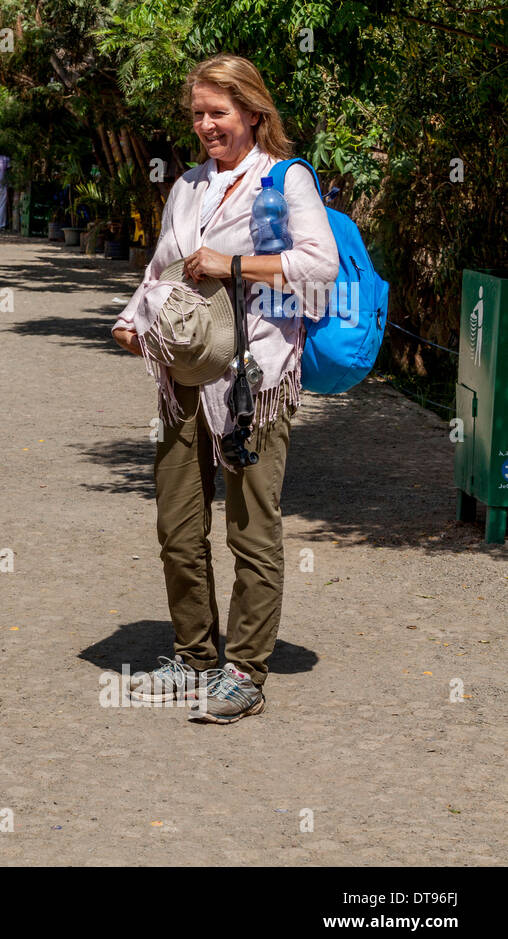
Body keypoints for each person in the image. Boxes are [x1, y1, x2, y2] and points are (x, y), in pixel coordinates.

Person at [111, 54, 337, 723]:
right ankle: (194, 657)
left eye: (218, 112)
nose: (207, 125)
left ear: (252, 112)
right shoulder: (187, 185)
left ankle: (243, 670)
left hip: (253, 378)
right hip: (180, 371)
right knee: (178, 527)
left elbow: (319, 268)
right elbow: (163, 267)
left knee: (250, 529)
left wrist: (234, 264)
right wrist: (131, 321)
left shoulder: (284, 180)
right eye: (198, 115)